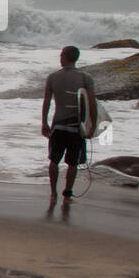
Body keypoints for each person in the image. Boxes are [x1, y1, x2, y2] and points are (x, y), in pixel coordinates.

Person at [42, 45, 97, 201]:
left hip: (58, 125)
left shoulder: (52, 77)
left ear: (64, 57)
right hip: (76, 128)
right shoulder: (86, 78)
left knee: (54, 160)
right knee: (72, 162)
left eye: (61, 55)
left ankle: (53, 192)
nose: (60, 58)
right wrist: (92, 126)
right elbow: (91, 103)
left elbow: (47, 102)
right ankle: (67, 192)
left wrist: (44, 123)